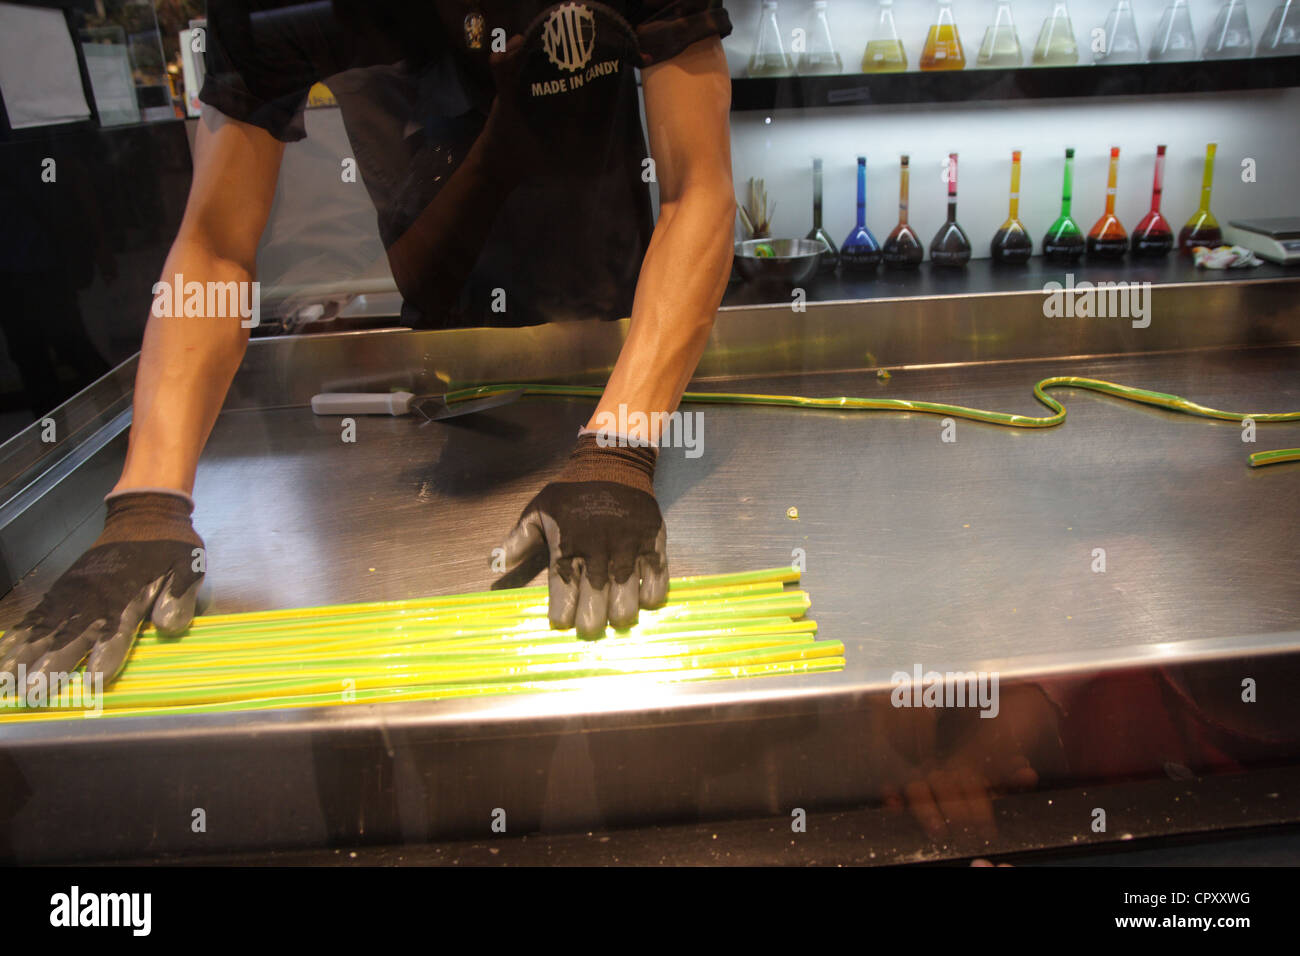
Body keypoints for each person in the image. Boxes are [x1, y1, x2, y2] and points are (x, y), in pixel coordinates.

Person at [0, 1, 736, 686]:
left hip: (629, 332)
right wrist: (150, 497)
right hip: (445, 347)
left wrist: (620, 442)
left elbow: (697, 186)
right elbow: (217, 245)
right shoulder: (276, 7)